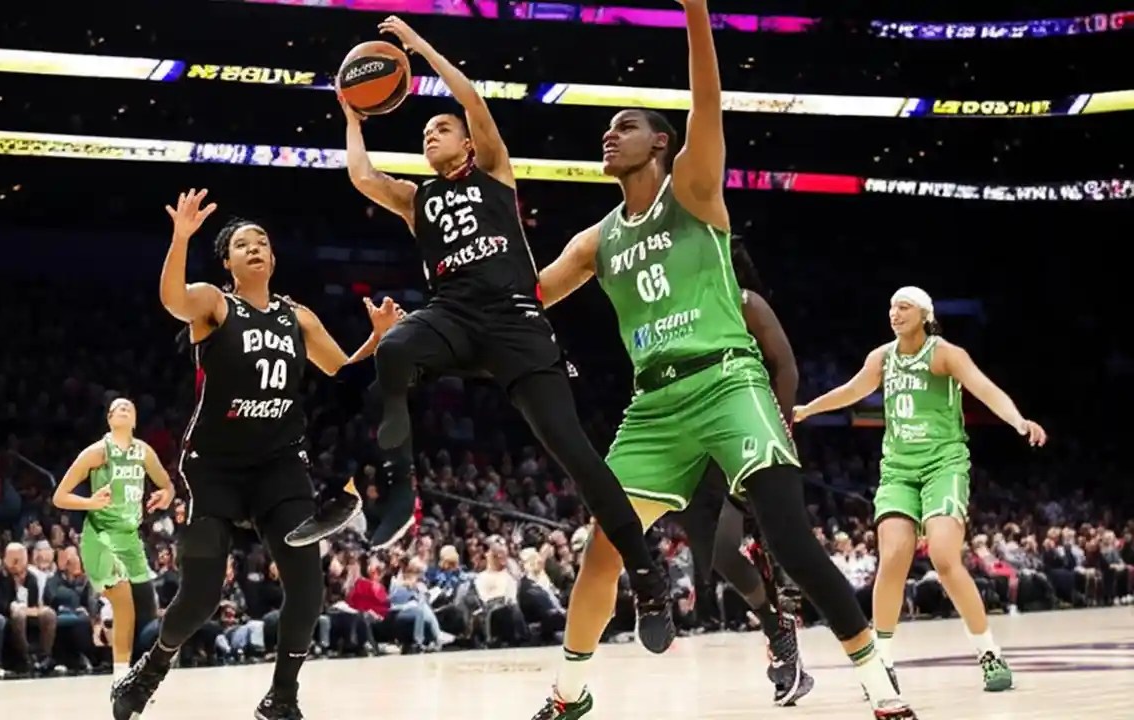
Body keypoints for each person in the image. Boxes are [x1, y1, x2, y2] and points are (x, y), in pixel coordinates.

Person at [528, 0, 916, 715]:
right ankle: (569, 694)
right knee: (600, 551)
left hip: (728, 382)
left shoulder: (696, 191)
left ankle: (881, 690)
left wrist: (697, 14)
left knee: (791, 543)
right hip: (653, 406)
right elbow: (526, 296)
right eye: (608, 127)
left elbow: (708, 99)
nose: (608, 135)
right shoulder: (596, 239)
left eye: (626, 126)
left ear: (661, 144)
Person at [287, 15, 675, 651]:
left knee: (577, 455)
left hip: (516, 320)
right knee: (392, 348)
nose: (431, 134)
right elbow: (361, 177)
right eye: (425, 131)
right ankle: (389, 488)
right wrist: (353, 117)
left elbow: (469, 98)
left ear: (468, 145)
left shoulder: (494, 171)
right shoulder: (417, 199)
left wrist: (417, 48)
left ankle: (648, 575)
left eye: (441, 129)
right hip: (454, 318)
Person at [111, 190, 403, 720]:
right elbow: (173, 299)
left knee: (308, 586)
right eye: (242, 244)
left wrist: (378, 339)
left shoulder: (298, 316)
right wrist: (181, 238)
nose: (254, 249)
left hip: (279, 467)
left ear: (273, 258)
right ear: (227, 261)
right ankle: (151, 668)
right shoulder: (214, 303)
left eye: (262, 242)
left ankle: (282, 697)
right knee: (199, 597)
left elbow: (342, 369)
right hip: (215, 471)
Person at [794, 286, 1047, 693]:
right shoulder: (881, 357)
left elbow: (984, 388)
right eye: (891, 307)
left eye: (903, 307)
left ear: (925, 314)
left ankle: (989, 653)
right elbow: (853, 390)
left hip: (943, 463)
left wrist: (1018, 421)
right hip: (898, 469)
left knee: (946, 558)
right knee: (892, 557)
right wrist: (807, 408)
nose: (894, 313)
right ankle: (884, 664)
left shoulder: (946, 354)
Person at [665, 241, 814, 707]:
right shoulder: (692, 313)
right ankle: (777, 630)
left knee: (774, 549)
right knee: (722, 556)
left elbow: (786, 367)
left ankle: (850, 647)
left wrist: (780, 426)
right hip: (717, 446)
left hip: (761, 434)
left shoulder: (748, 303)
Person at [53, 397, 174, 685]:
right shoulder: (98, 452)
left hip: (129, 537)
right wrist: (90, 502)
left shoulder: (143, 452)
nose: (124, 409)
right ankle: (121, 676)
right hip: (100, 534)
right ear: (109, 419)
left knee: (137, 606)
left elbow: (167, 484)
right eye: (118, 407)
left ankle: (126, 673)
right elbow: (59, 497)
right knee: (122, 598)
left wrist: (165, 495)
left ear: (134, 421)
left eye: (129, 408)